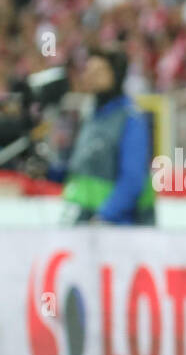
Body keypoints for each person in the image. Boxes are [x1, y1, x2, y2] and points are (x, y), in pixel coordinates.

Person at [54, 48, 154, 224]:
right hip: (85, 222)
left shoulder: (131, 119)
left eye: (98, 72)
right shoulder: (91, 114)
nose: (89, 77)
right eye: (88, 70)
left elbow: (133, 179)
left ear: (116, 75)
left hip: (119, 229)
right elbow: (81, 169)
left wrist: (104, 216)